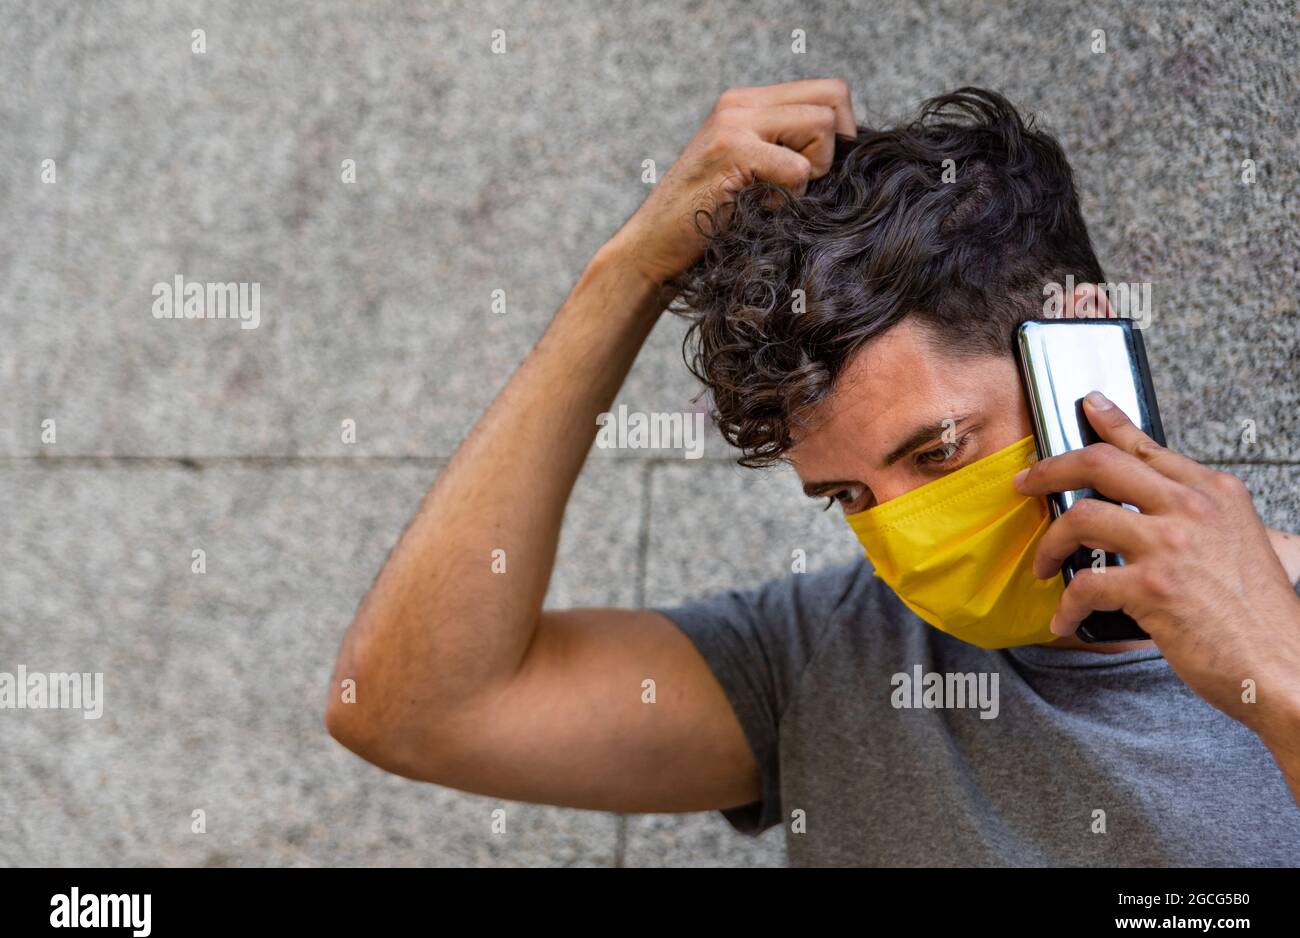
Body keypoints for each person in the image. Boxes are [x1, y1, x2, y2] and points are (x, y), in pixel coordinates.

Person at [325, 80, 1300, 866]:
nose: (905, 538)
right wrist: (625, 277)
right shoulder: (827, 655)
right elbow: (411, 711)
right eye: (848, 498)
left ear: (1081, 342)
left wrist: (1277, 677)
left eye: (936, 451)